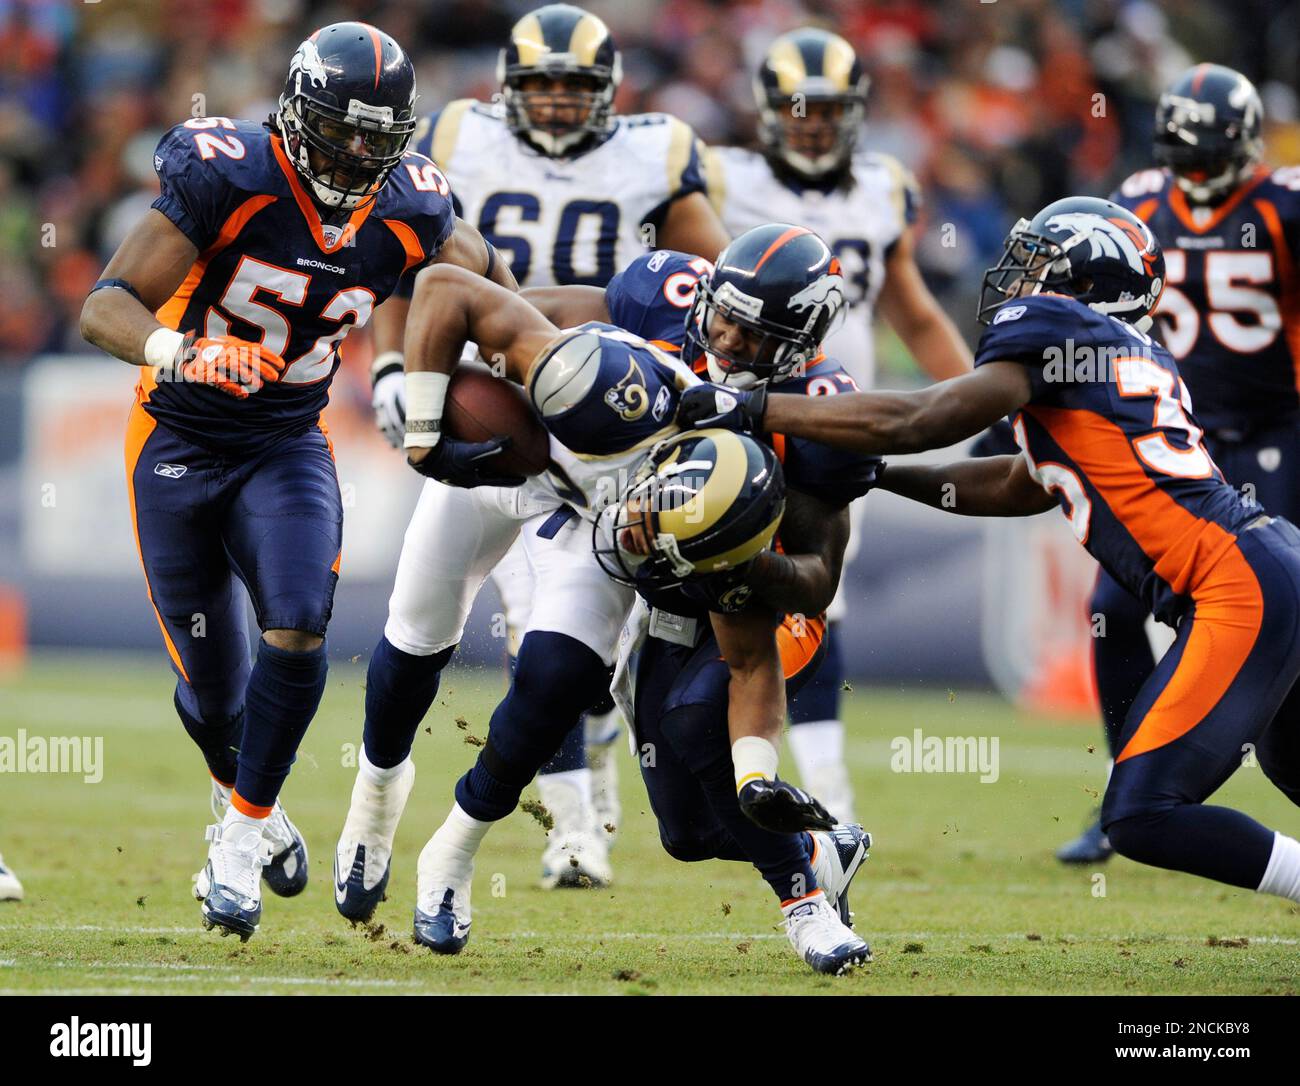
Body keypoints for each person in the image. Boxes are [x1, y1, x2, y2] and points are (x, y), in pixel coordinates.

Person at [679, 196, 1300, 909]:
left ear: (1087, 287)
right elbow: (1021, 484)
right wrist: (880, 477)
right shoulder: (1129, 357)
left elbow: (926, 417)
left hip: (1236, 586)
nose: (1020, 279)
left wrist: (756, 409)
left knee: (1142, 814)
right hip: (1273, 562)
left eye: (1041, 265)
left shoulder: (1059, 327)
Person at [79, 22, 514, 941]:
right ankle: (253, 801)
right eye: (343, 131)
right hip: (176, 437)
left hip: (286, 441)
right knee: (214, 696)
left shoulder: (412, 206)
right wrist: (182, 349)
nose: (360, 154)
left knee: (298, 630)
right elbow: (104, 305)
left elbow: (485, 287)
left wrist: (525, 367)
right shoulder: (229, 172)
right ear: (299, 110)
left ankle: (234, 844)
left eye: (378, 137)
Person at [363, 2, 730, 886]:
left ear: (607, 92)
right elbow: (398, 256)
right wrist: (390, 366)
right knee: (472, 621)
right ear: (508, 88)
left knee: (565, 629)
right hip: (500, 381)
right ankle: (550, 817)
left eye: (576, 86)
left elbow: (720, 278)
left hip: (612, 400)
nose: (560, 103)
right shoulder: (456, 135)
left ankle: (576, 811)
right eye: (543, 86)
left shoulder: (660, 152)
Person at [704, 27, 971, 821]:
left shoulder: (883, 187)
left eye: (830, 109)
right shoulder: (719, 177)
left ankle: (828, 791)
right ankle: (598, 797)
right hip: (729, 408)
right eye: (801, 107)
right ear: (767, 111)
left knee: (819, 599)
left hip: (831, 419)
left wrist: (977, 397)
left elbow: (914, 313)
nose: (814, 122)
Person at [1060, 64, 1300, 864]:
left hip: (1275, 432)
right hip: (1172, 430)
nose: (1193, 171)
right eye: (1181, 153)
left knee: (1277, 605)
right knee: (1114, 606)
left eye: (1207, 154)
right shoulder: (1141, 200)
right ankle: (1130, 782)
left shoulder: (1283, 204)